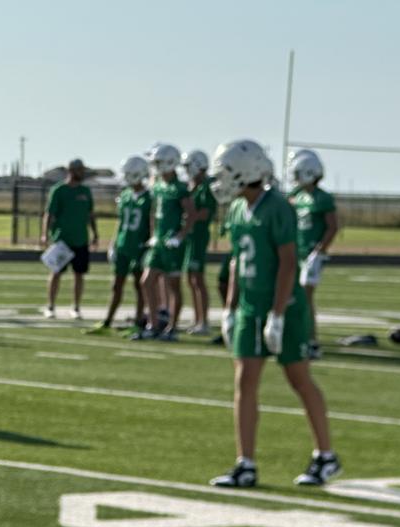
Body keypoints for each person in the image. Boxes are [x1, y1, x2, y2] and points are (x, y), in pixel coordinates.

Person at [207, 139, 340, 489]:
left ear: (244, 172)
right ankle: (245, 463)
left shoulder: (277, 207)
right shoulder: (238, 209)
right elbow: (236, 263)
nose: (221, 180)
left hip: (284, 308)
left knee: (299, 379)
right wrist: (230, 309)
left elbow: (287, 263)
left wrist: (277, 315)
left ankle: (326, 455)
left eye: (226, 172)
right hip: (250, 308)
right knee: (244, 382)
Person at [133, 143, 196, 341]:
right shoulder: (158, 185)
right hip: (158, 242)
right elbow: (154, 213)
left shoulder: (180, 188)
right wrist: (153, 234)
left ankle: (172, 328)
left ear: (170, 162)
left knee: (173, 286)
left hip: (172, 244)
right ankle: (153, 324)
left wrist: (180, 236)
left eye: (159, 162)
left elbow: (191, 214)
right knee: (146, 281)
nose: (156, 166)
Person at [87, 155, 151, 334]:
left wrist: (148, 246)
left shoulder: (149, 198)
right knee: (116, 285)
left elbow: (150, 224)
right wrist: (113, 243)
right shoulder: (125, 195)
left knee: (139, 285)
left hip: (139, 246)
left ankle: (139, 321)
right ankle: (108, 320)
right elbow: (120, 222)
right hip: (123, 245)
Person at [288, 149, 339, 359]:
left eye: (298, 173)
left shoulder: (322, 198)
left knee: (305, 298)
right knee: (296, 297)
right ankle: (300, 337)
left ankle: (311, 341)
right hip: (298, 253)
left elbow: (332, 227)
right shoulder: (297, 195)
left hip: (312, 255)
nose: (295, 177)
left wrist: (319, 251)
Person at [41, 158, 98, 319]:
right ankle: (50, 306)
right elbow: (49, 214)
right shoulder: (59, 190)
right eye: (80, 170)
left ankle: (76, 307)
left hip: (81, 239)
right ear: (71, 171)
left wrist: (95, 233)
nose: (82, 173)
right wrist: (45, 234)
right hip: (62, 240)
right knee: (56, 272)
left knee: (79, 274)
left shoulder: (85, 191)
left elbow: (90, 214)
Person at [181, 150, 216, 335]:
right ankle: (197, 319)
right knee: (190, 279)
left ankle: (204, 321)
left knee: (197, 279)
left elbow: (206, 212)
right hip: (191, 236)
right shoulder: (193, 186)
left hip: (199, 236)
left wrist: (189, 216)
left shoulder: (207, 186)